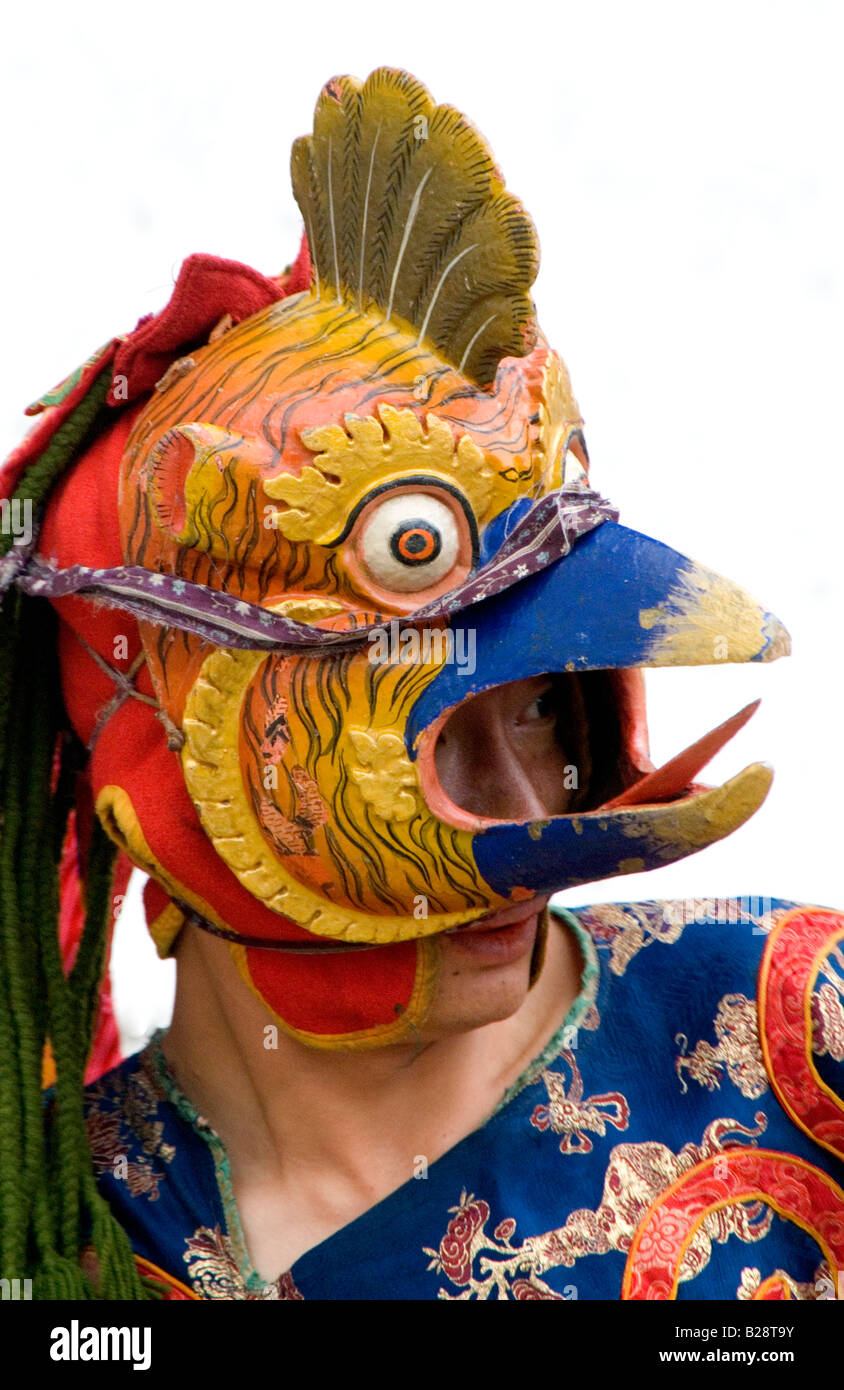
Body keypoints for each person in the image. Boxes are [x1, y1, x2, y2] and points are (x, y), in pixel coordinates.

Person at [1, 66, 842, 1302]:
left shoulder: (798, 1030)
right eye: (446, 734)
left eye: (546, 713)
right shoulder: (66, 1251)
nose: (525, 808)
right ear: (165, 776)